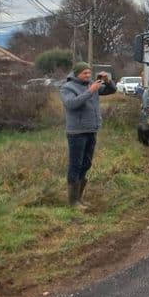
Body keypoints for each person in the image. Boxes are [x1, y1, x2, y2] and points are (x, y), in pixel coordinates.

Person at [59, 62, 116, 208]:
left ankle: (79, 199)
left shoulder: (92, 84)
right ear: (76, 73)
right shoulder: (67, 88)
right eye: (84, 73)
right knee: (75, 164)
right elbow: (71, 104)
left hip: (92, 129)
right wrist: (90, 91)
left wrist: (107, 81)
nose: (88, 75)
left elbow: (111, 90)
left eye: (89, 73)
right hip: (76, 131)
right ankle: (73, 202)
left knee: (87, 163)